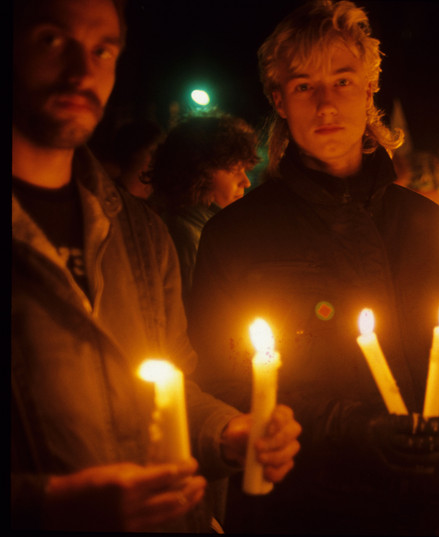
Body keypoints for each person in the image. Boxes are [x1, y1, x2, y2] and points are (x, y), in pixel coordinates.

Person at [186, 1, 439, 534]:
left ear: (371, 89)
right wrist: (354, 427)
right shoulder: (235, 236)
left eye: (343, 81)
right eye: (304, 86)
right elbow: (225, 383)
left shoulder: (430, 226)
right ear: (278, 100)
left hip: (416, 510)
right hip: (296, 508)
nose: (326, 103)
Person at [11, 0, 301, 532]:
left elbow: (171, 389)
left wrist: (229, 433)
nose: (81, 70)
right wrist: (48, 505)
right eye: (53, 40)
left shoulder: (140, 233)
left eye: (102, 50)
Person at [148, 114, 258, 304]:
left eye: (245, 169)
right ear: (199, 171)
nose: (245, 181)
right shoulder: (184, 236)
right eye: (234, 169)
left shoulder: (211, 230)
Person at [108, 118, 163, 199]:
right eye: (154, 153)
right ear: (133, 152)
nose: (160, 160)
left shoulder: (152, 206)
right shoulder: (109, 200)